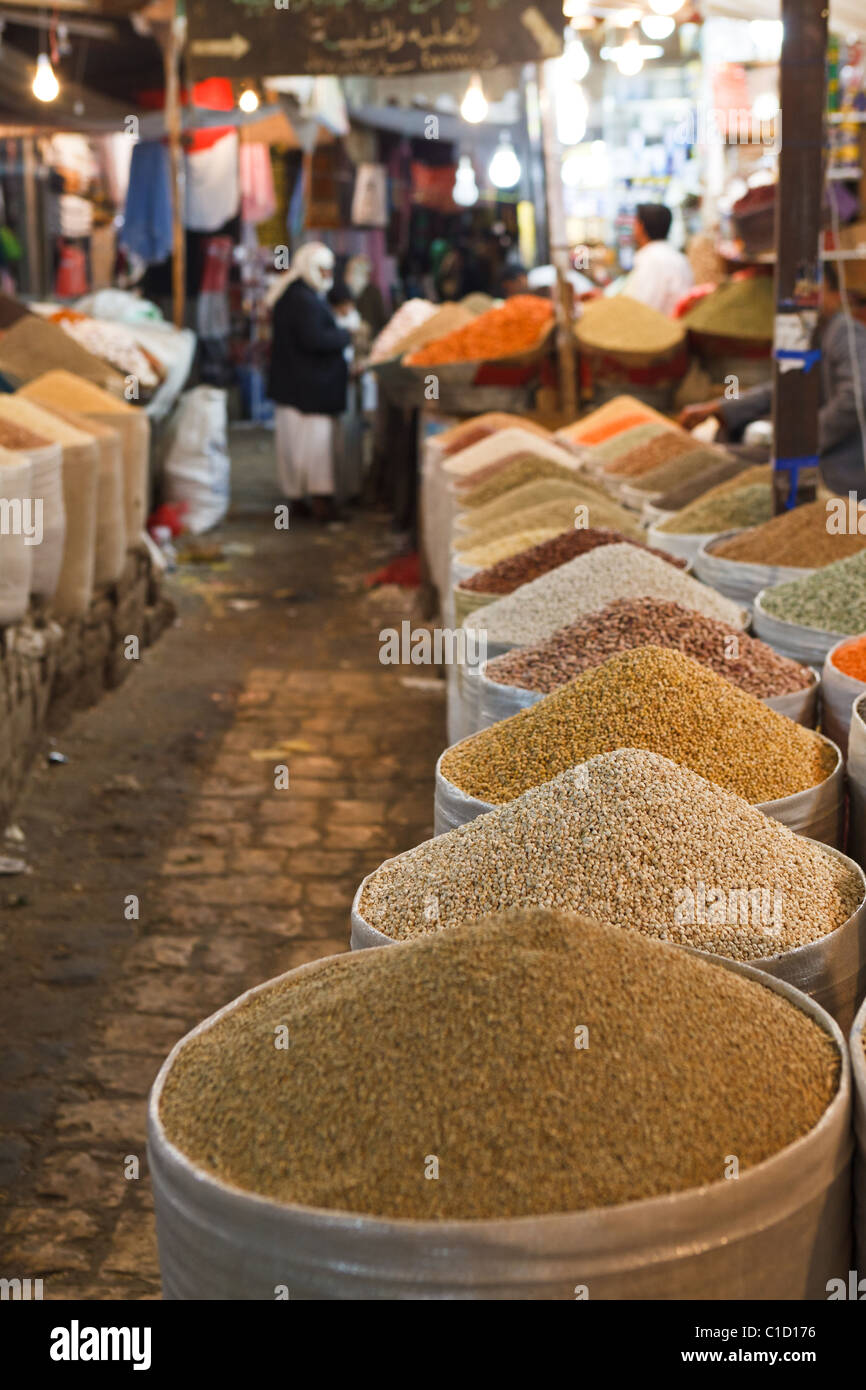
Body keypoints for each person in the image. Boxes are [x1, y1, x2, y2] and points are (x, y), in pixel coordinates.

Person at [678, 263, 866, 497]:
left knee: (734, 462)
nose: (804, 297)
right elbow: (783, 386)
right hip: (815, 453)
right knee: (720, 453)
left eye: (813, 289)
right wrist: (722, 407)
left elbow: (853, 399)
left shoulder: (845, 333)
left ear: (836, 296)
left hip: (841, 468)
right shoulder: (813, 334)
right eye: (798, 290)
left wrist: (802, 439)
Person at [267, 242, 351, 521]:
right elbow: (314, 339)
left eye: (330, 271)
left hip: (301, 387)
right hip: (307, 388)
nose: (327, 276)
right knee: (313, 449)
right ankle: (318, 503)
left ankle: (302, 500)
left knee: (299, 449)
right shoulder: (302, 299)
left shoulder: (299, 295)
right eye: (323, 270)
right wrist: (346, 335)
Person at [621, 203, 693, 316]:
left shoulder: (652, 260)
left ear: (641, 226)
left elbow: (642, 308)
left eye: (635, 223)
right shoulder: (677, 257)